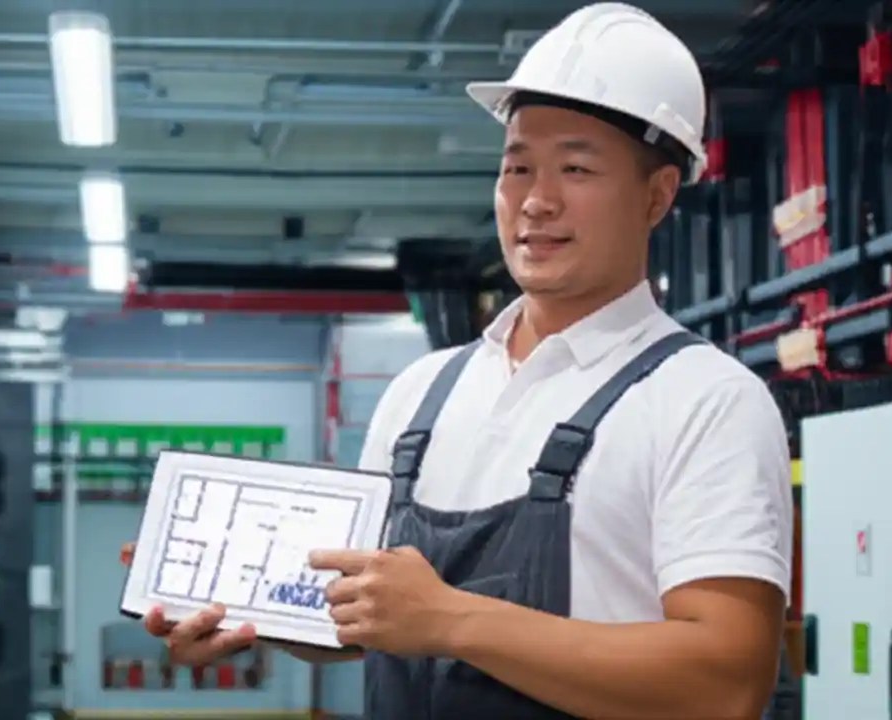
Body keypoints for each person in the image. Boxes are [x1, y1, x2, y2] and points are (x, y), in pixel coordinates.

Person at [122, 3, 794, 718]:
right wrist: (248, 615)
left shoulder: (706, 399)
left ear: (657, 195)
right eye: (517, 167)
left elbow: (726, 684)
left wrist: (452, 620)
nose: (536, 201)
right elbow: (375, 620)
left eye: (575, 167)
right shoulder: (421, 395)